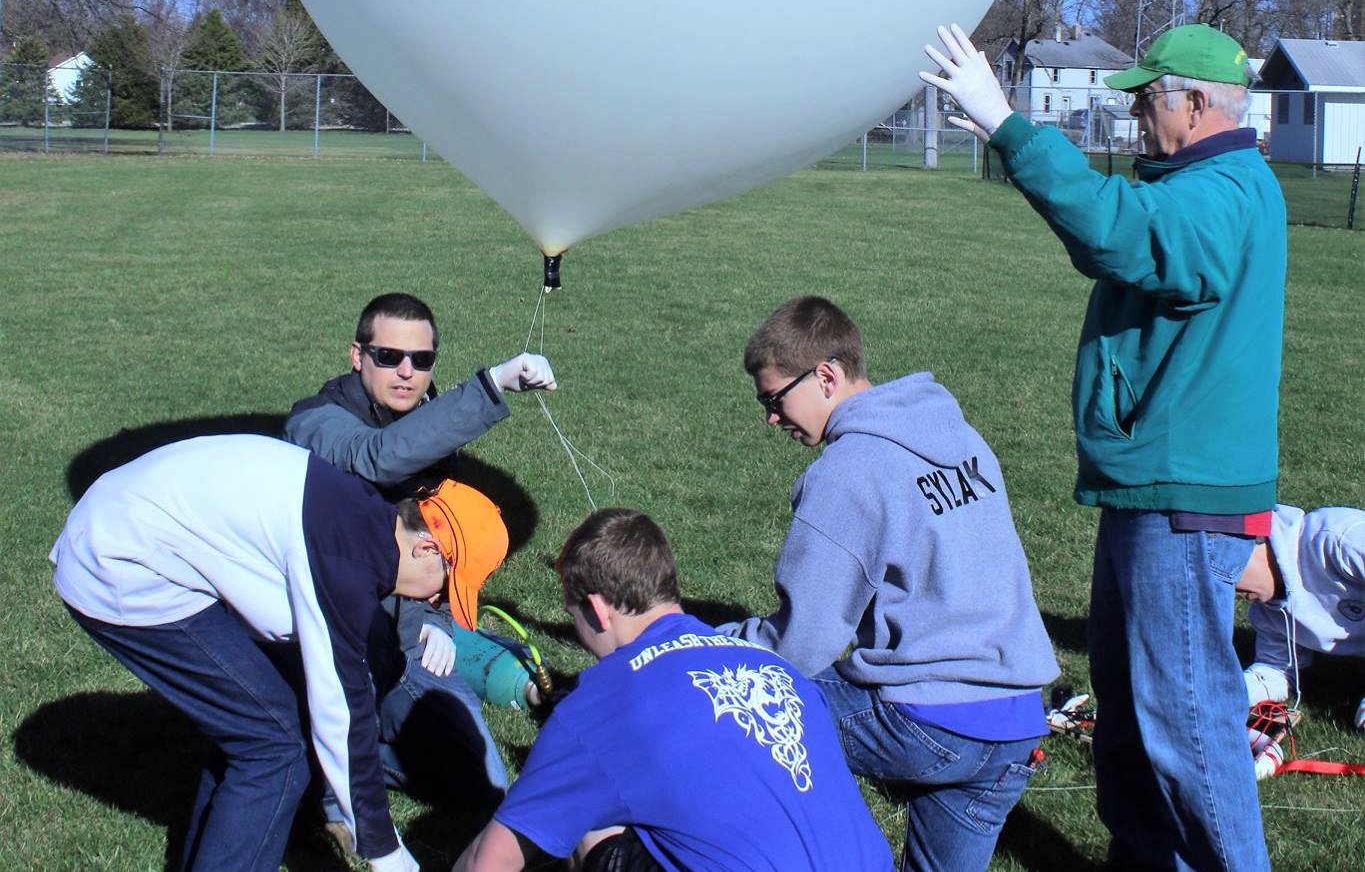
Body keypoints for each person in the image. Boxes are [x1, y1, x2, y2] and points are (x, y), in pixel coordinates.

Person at [921, 23, 1286, 871]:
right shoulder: (1210, 182)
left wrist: (1012, 128)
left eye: (1143, 99)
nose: (1132, 118)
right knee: (1129, 711)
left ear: (1193, 104)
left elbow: (1124, 232)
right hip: (1150, 491)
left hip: (1180, 498)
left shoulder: (1222, 192)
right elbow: (1122, 231)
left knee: (1187, 724)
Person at [720, 296, 1059, 872]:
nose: (771, 419)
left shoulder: (845, 473)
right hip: (1018, 724)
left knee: (729, 705)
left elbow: (804, 643)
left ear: (825, 376)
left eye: (775, 400)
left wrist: (710, 646)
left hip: (930, 723)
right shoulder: (961, 435)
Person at [49, 434, 450, 872]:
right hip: (119, 562)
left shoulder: (364, 518)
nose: (435, 602)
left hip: (126, 521)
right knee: (274, 746)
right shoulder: (342, 565)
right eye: (446, 587)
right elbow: (343, 712)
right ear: (426, 547)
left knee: (263, 723)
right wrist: (383, 848)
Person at [452, 508, 895, 872]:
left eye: (573, 614)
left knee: (591, 818)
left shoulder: (602, 702)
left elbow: (487, 864)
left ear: (596, 609)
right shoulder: (780, 669)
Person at [284, 292, 557, 830]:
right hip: (331, 642)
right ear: (356, 355)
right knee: (468, 775)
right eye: (388, 356)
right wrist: (493, 385)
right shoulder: (315, 423)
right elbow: (378, 457)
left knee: (483, 785)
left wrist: (431, 616)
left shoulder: (428, 419)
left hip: (405, 633)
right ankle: (322, 767)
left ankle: (343, 756)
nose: (407, 372)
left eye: (423, 360)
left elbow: (421, 534)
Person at [1237, 504, 1365, 729]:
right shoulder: (1267, 606)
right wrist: (1229, 694)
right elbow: (1273, 670)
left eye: (1226, 569)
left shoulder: (1336, 539)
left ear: (1255, 541)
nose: (1228, 588)